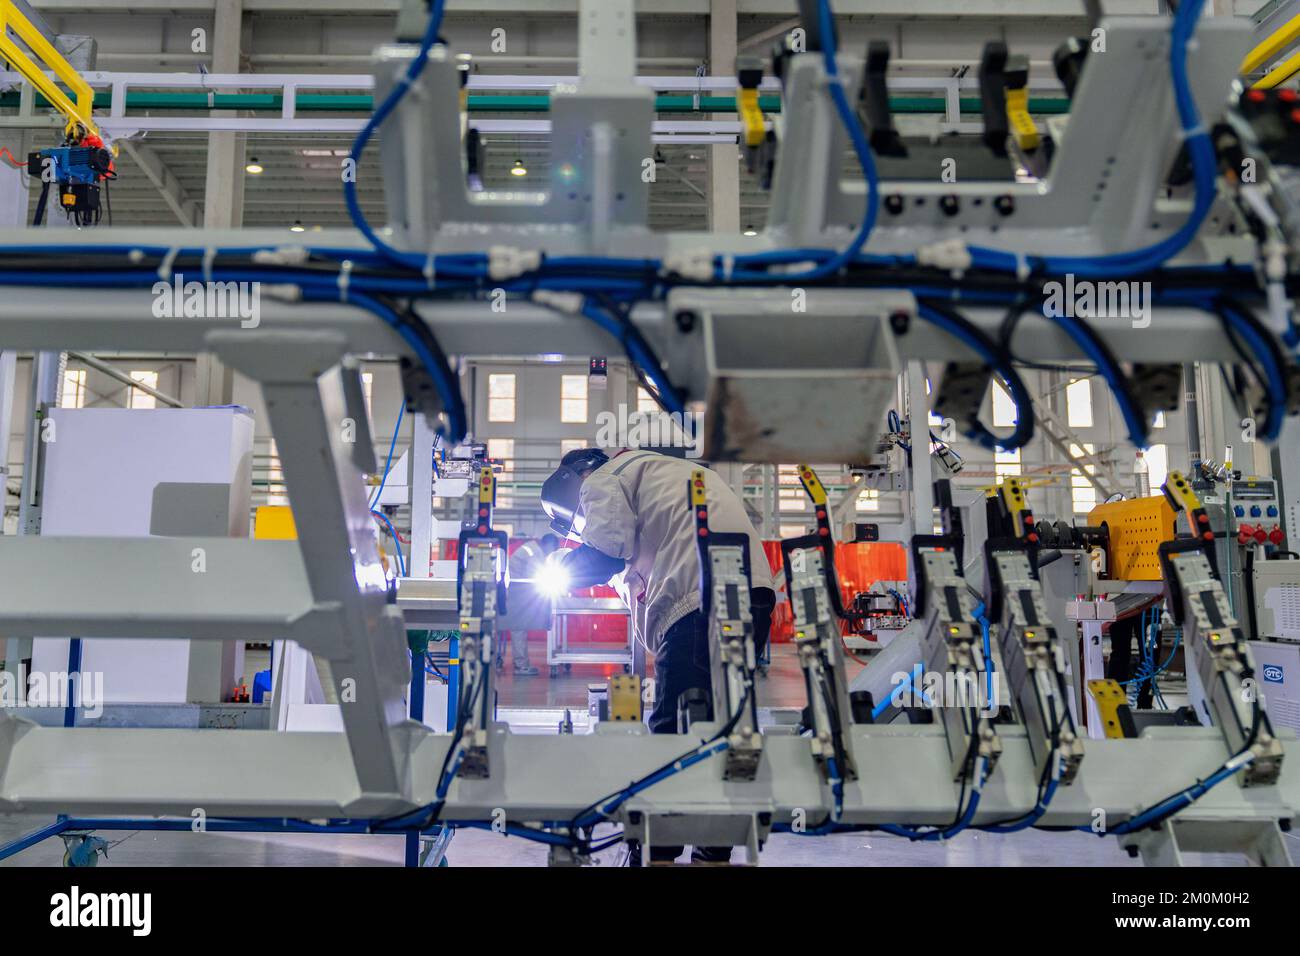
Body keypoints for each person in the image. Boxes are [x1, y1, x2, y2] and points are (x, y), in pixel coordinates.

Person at [540, 447, 776, 865]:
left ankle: (660, 854)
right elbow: (631, 566)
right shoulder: (665, 474)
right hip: (753, 593)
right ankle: (712, 851)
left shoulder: (602, 480)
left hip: (697, 598)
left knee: (672, 729)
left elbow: (603, 552)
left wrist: (560, 563)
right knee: (720, 725)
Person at [495, 534, 562, 677]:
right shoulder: (535, 554)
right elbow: (535, 579)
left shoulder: (533, 547)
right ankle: (521, 666)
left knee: (509, 627)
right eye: (554, 549)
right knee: (519, 627)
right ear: (548, 545)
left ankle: (499, 660)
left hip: (511, 591)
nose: (553, 553)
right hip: (513, 592)